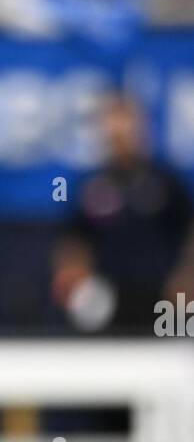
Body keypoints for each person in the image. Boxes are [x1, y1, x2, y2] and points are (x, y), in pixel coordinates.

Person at [53, 92, 194, 335]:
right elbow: (74, 241)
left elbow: (188, 231)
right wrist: (73, 275)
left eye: (127, 126)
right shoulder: (88, 184)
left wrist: (186, 277)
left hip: (163, 297)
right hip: (106, 299)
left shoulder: (167, 181)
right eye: (113, 127)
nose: (120, 135)